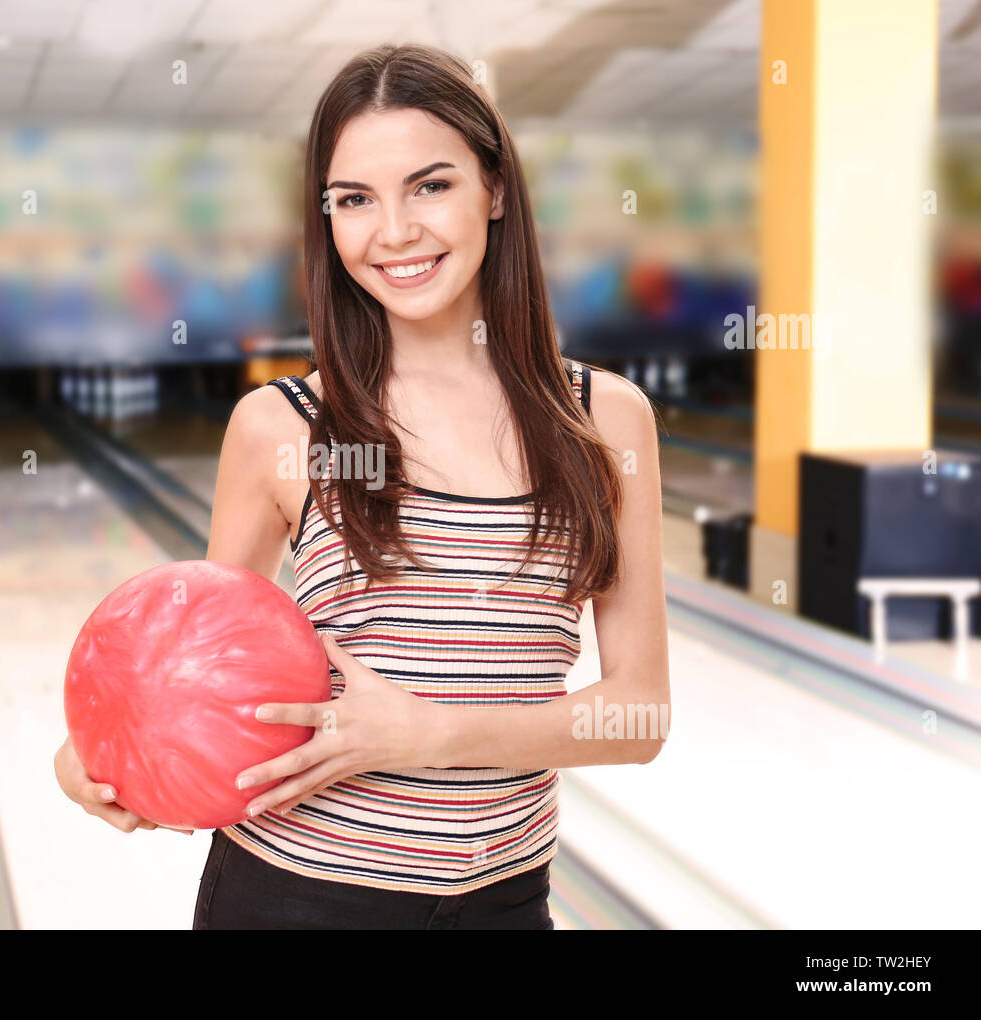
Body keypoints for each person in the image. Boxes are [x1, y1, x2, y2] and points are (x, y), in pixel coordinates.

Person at [55, 42, 670, 930]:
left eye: (430, 186)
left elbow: (640, 714)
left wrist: (434, 734)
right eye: (354, 200)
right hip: (294, 897)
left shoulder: (605, 421)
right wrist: (90, 759)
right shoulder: (282, 428)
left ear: (495, 190)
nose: (393, 232)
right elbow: (189, 674)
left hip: (503, 903)